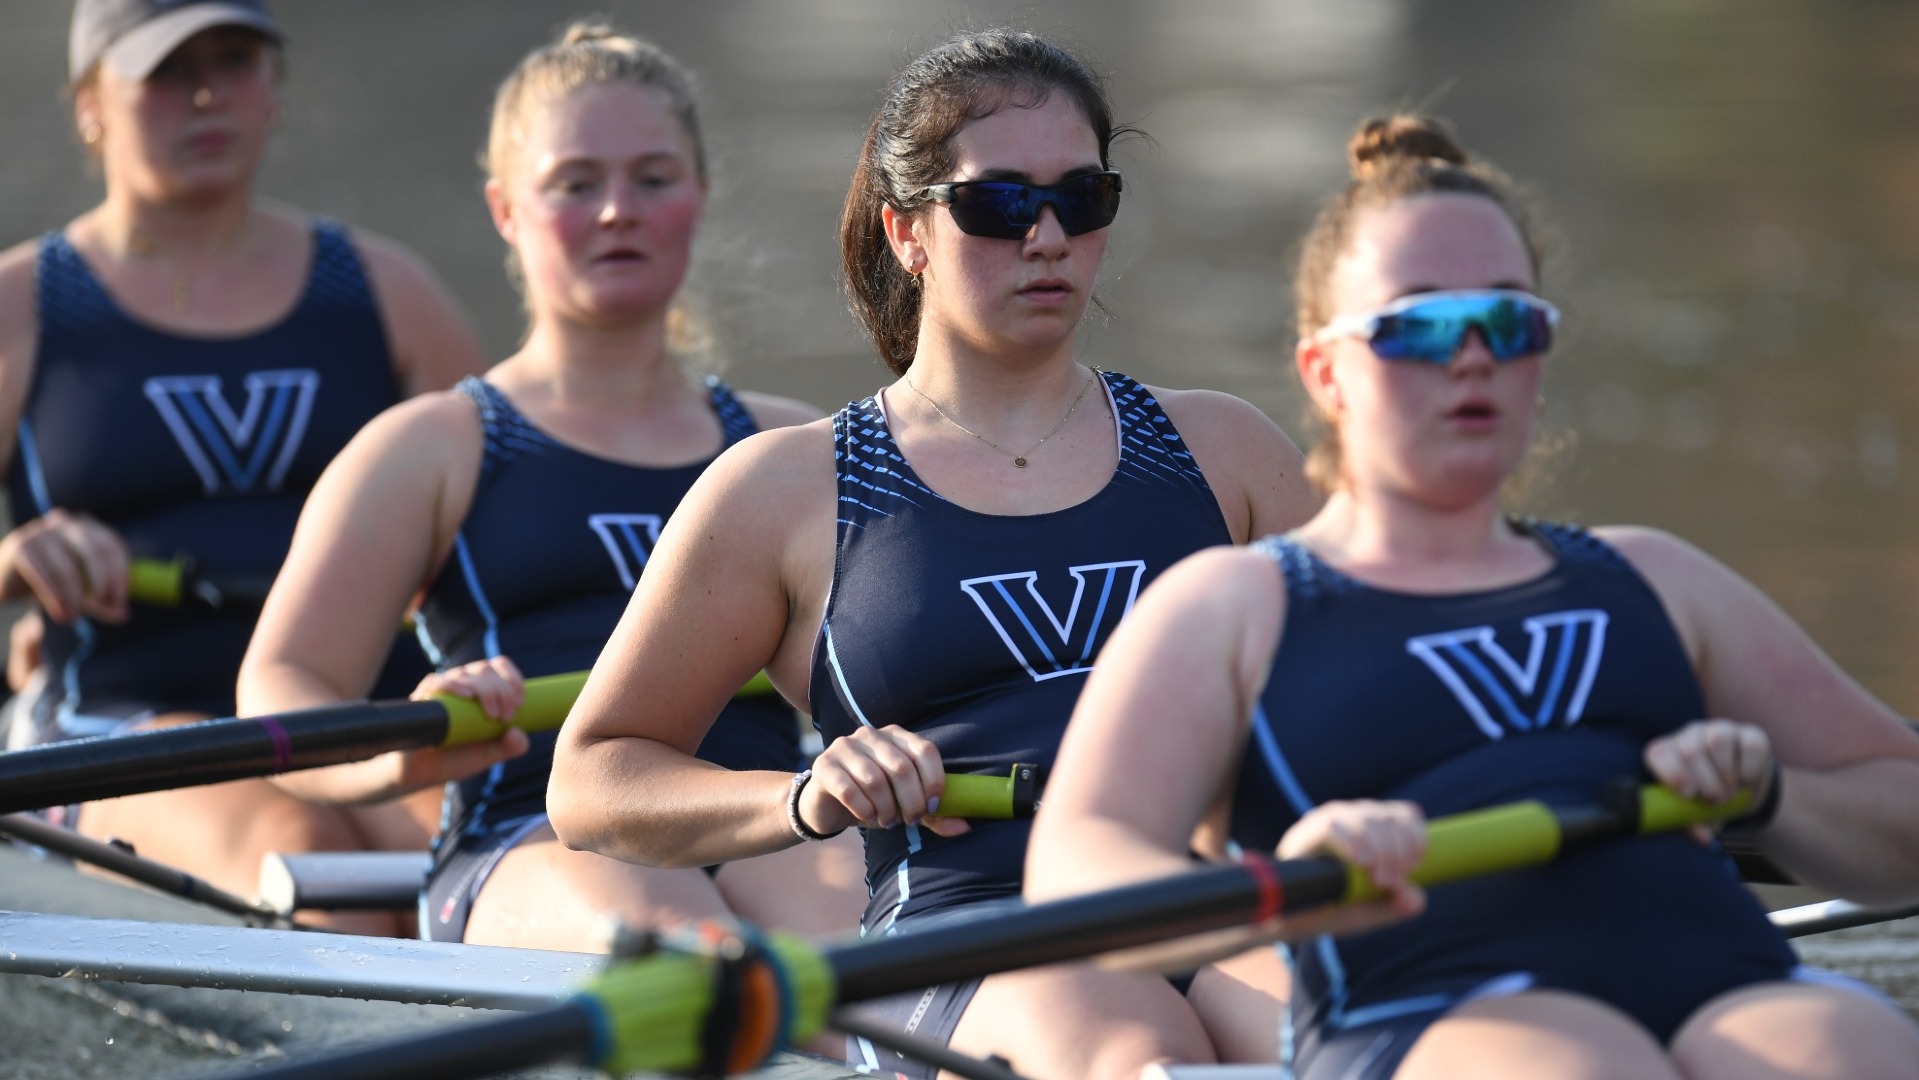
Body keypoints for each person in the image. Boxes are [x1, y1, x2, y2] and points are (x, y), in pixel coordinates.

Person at [1026, 114, 1919, 1080]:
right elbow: (1077, 869)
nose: (1472, 356)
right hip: (1426, 1010)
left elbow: (1898, 801)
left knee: (1853, 1047)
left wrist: (1773, 793)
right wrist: (1282, 887)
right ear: (1325, 373)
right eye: (1420, 326)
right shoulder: (1232, 609)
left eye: (1508, 322)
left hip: (1722, 981)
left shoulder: (1654, 577)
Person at [550, 28, 1320, 1080]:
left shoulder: (1225, 450)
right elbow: (592, 779)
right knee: (1134, 1051)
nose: (1046, 236)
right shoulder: (788, 489)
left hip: (1217, 904)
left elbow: (1380, 691)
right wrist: (799, 797)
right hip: (966, 939)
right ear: (906, 231)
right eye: (998, 204)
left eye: (1081, 198)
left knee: (1384, 1027)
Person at [235, 21, 863, 953]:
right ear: (506, 209)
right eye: (575, 183)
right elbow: (283, 684)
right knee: (689, 955)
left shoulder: (791, 446)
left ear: (697, 193)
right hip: (527, 836)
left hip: (765, 814)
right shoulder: (432, 449)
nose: (617, 212)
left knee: (877, 957)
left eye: (652, 178)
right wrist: (402, 748)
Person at [0, 0, 484, 924]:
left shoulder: (386, 295)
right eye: (168, 72)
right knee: (312, 864)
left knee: (481, 858)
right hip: (120, 715)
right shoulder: (21, 309)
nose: (207, 95)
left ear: (274, 91)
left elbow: (514, 530)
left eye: (235, 60)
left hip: (361, 706)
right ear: (90, 105)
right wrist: (14, 561)